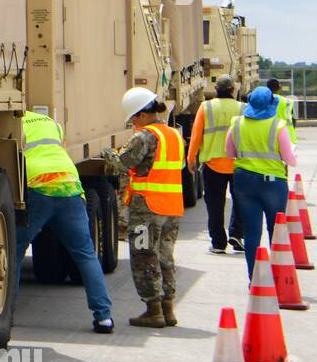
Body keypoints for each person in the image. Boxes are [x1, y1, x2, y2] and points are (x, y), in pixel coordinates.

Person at [17, 110, 114, 333]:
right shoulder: (51, 122)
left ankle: (5, 313)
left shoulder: (13, 121)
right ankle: (104, 318)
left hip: (38, 186)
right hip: (69, 185)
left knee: (16, 251)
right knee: (86, 255)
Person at [102, 88, 184, 328]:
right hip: (171, 207)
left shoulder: (145, 136)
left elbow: (123, 162)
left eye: (134, 118)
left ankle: (153, 310)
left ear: (141, 114)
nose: (134, 123)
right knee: (165, 257)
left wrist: (108, 153)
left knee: (143, 257)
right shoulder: (173, 135)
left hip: (147, 208)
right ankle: (168, 309)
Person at [227, 85, 297, 277]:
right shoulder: (278, 126)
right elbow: (290, 159)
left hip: (244, 181)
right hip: (273, 183)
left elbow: (229, 152)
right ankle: (277, 276)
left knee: (251, 232)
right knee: (276, 231)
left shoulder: (237, 123)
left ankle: (255, 279)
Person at [186, 75, 244, 255]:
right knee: (240, 201)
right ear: (233, 90)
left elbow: (196, 135)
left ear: (216, 89)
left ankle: (218, 243)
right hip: (237, 163)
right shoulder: (243, 108)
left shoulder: (206, 107)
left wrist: (190, 159)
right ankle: (236, 234)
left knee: (215, 205)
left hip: (213, 163)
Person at [266, 78, 298, 143]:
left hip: (271, 136)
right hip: (288, 136)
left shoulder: (265, 101)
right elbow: (294, 120)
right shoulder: (289, 102)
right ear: (279, 88)